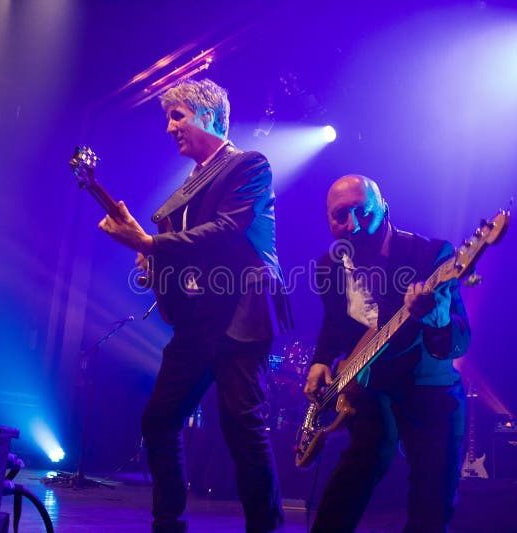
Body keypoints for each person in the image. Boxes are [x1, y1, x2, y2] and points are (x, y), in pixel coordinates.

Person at [99, 78, 291, 533]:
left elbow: (227, 231)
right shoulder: (188, 184)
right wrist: (151, 259)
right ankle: (169, 523)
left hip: (242, 313)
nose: (169, 128)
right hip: (197, 321)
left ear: (208, 116)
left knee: (243, 427)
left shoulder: (249, 165)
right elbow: (183, 257)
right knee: (159, 420)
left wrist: (151, 241)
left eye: (177, 116)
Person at [304, 175, 470, 533]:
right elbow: (334, 324)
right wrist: (320, 360)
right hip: (370, 387)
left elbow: (460, 339)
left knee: (433, 500)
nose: (353, 225)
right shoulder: (328, 265)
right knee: (356, 472)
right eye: (340, 215)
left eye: (363, 213)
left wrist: (438, 319)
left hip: (428, 387)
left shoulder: (430, 255)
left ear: (385, 211)